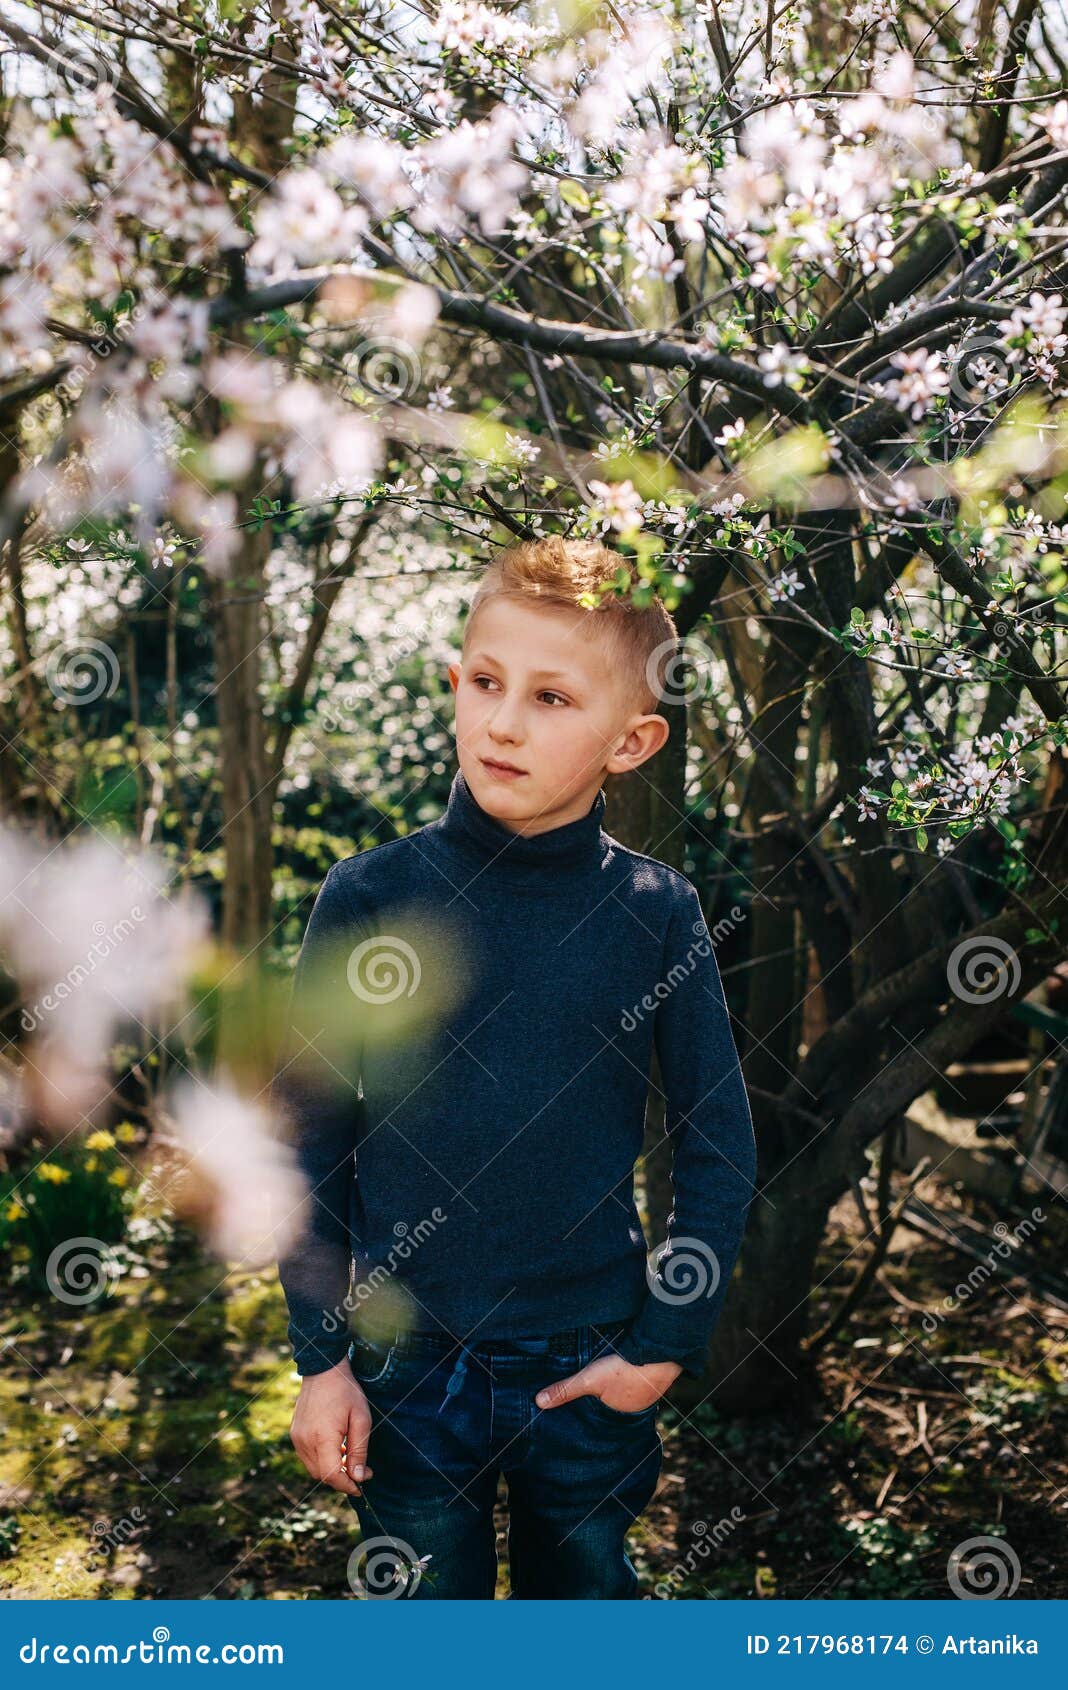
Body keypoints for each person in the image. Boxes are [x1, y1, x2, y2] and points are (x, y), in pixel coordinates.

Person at [271, 535, 757, 1599]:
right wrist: (323, 1360)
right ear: (455, 682)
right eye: (486, 682)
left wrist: (664, 1345)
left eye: (551, 698)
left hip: (589, 1356)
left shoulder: (656, 913)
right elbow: (308, 1143)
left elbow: (717, 1143)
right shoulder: (370, 897)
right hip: (404, 1366)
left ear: (630, 742)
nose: (502, 723)